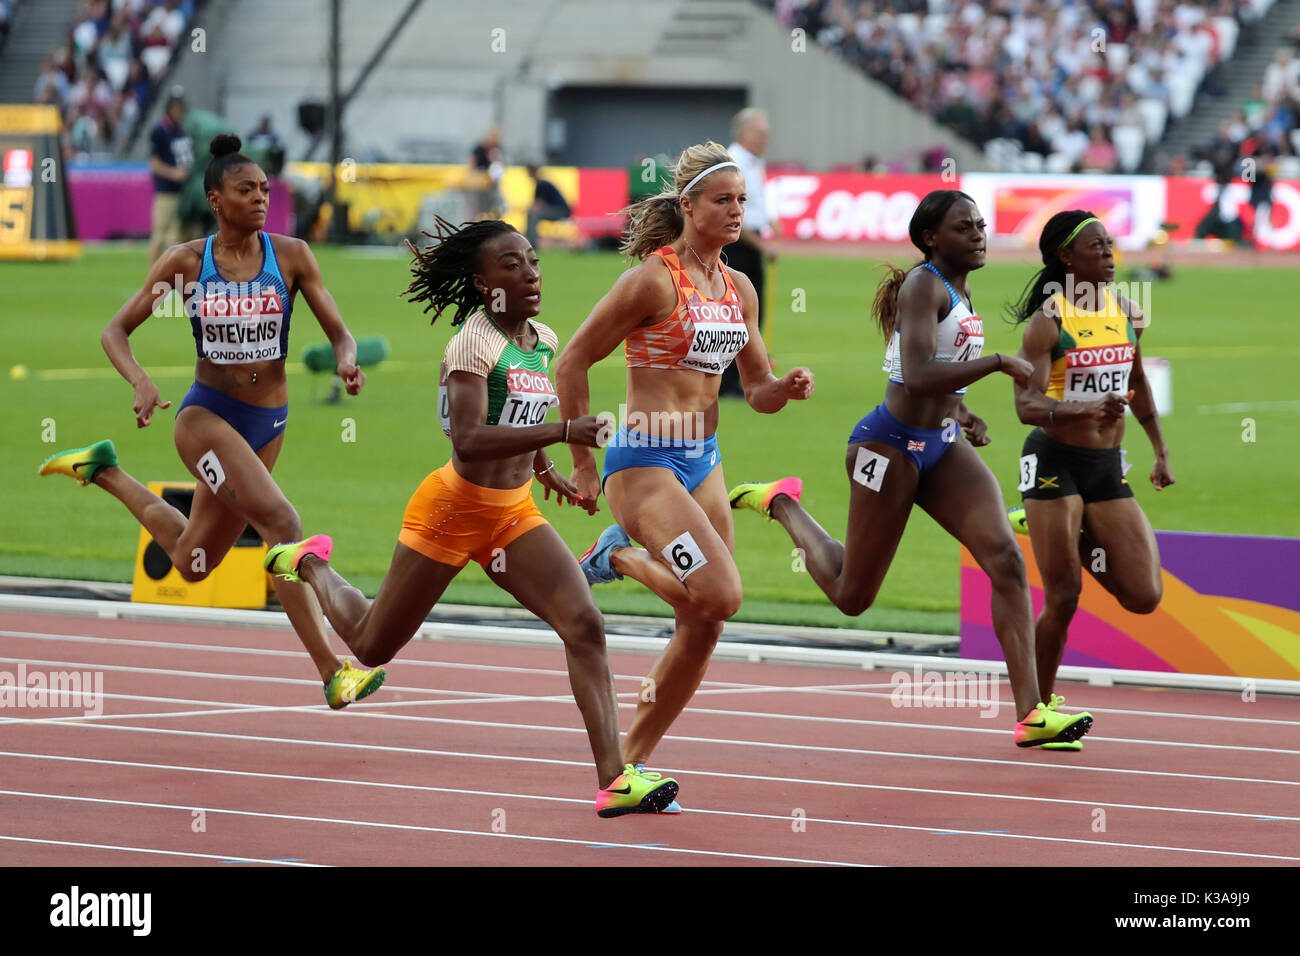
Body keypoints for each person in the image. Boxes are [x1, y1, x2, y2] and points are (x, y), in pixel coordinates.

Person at [262, 216, 678, 817]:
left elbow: (518, 414)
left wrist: (544, 469)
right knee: (373, 646)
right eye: (512, 265)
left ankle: (614, 779)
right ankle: (311, 563)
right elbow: (468, 437)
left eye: (533, 260)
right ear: (484, 284)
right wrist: (566, 431)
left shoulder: (544, 339)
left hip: (513, 515)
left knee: (584, 624)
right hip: (452, 510)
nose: (530, 273)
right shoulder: (472, 342)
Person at [728, 190, 1093, 750]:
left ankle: (1032, 713)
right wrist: (995, 362)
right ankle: (780, 502)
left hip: (942, 444)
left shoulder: (958, 289)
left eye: (980, 225)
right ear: (930, 239)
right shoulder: (924, 285)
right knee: (853, 595)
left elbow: (932, 376)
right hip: (888, 448)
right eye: (964, 227)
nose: (979, 234)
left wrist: (963, 411)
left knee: (1004, 560)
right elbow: (918, 374)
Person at [40, 134, 386, 710]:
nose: (259, 198)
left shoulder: (293, 254)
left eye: (265, 190)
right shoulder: (185, 262)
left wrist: (347, 359)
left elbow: (339, 332)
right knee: (282, 521)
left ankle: (102, 470)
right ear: (215, 198)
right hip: (205, 418)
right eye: (245, 189)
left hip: (269, 422)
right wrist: (142, 381)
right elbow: (115, 330)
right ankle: (333, 671)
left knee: (193, 562)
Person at [555, 141, 814, 790]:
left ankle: (626, 767)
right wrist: (583, 467)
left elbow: (756, 388)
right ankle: (615, 557)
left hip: (704, 460)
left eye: (741, 201)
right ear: (688, 205)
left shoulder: (739, 288)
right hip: (644, 461)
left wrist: (783, 389)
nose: (735, 211)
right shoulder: (651, 279)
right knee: (720, 594)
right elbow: (572, 362)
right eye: (722, 201)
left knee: (703, 626)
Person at [1008, 211, 1173, 745]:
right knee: (1065, 595)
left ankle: (1049, 527)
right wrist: (1078, 409)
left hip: (1105, 467)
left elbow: (1138, 380)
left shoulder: (1128, 312)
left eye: (1110, 244)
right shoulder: (1048, 322)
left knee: (1144, 594)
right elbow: (1026, 405)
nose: (1108, 252)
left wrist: (1159, 452)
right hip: (1054, 461)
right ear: (1065, 257)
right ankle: (1038, 715)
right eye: (1096, 245)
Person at [719, 107, 776, 398]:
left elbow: (752, 207)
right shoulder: (734, 162)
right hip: (738, 246)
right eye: (760, 133)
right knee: (735, 313)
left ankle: (743, 378)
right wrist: (762, 243)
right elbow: (733, 215)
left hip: (750, 243)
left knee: (750, 313)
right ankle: (727, 382)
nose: (766, 138)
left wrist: (768, 223)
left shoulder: (752, 162)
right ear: (743, 133)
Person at [148, 91, 193, 263]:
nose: (179, 110)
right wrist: (174, 174)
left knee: (178, 238)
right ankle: (153, 279)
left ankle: (173, 277)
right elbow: (155, 164)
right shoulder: (160, 131)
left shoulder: (182, 130)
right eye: (176, 107)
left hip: (182, 193)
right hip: (166, 192)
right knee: (159, 236)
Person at [524, 164, 571, 248]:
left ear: (532, 172)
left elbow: (539, 204)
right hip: (558, 209)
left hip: (560, 211)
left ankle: (531, 242)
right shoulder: (541, 183)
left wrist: (526, 209)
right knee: (532, 214)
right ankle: (530, 239)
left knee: (533, 215)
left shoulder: (541, 183)